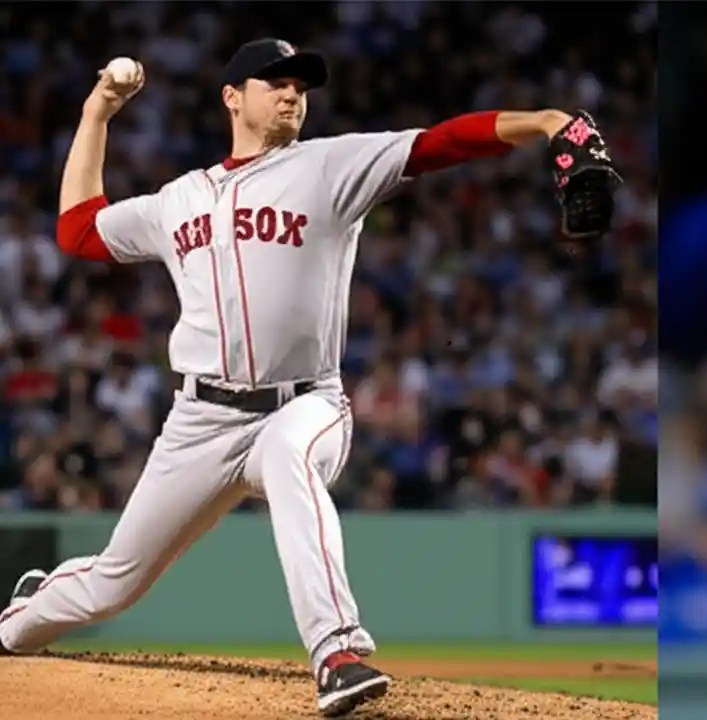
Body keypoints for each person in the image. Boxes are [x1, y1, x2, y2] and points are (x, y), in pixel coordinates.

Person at [0, 38, 617, 718]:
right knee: (112, 586)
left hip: (305, 402)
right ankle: (21, 617)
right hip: (200, 419)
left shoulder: (330, 166)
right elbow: (77, 231)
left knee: (288, 456)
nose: (293, 92)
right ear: (232, 97)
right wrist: (97, 114)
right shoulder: (178, 200)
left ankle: (337, 651)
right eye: (275, 82)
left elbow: (443, 143)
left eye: (300, 83)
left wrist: (545, 122)